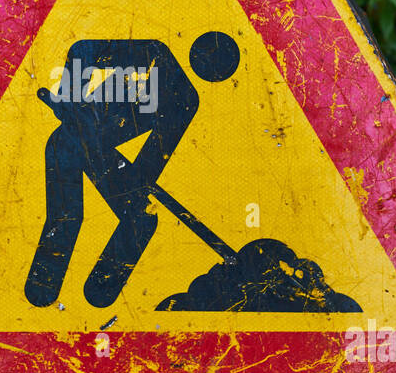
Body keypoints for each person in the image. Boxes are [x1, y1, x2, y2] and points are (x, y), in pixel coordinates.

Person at [25, 31, 239, 309]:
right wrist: (71, 96)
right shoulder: (153, 54)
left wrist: (136, 182)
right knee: (63, 145)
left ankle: (102, 283)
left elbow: (155, 155)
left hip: (102, 127)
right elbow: (81, 51)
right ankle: (44, 283)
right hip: (91, 120)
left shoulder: (182, 99)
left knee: (138, 213)